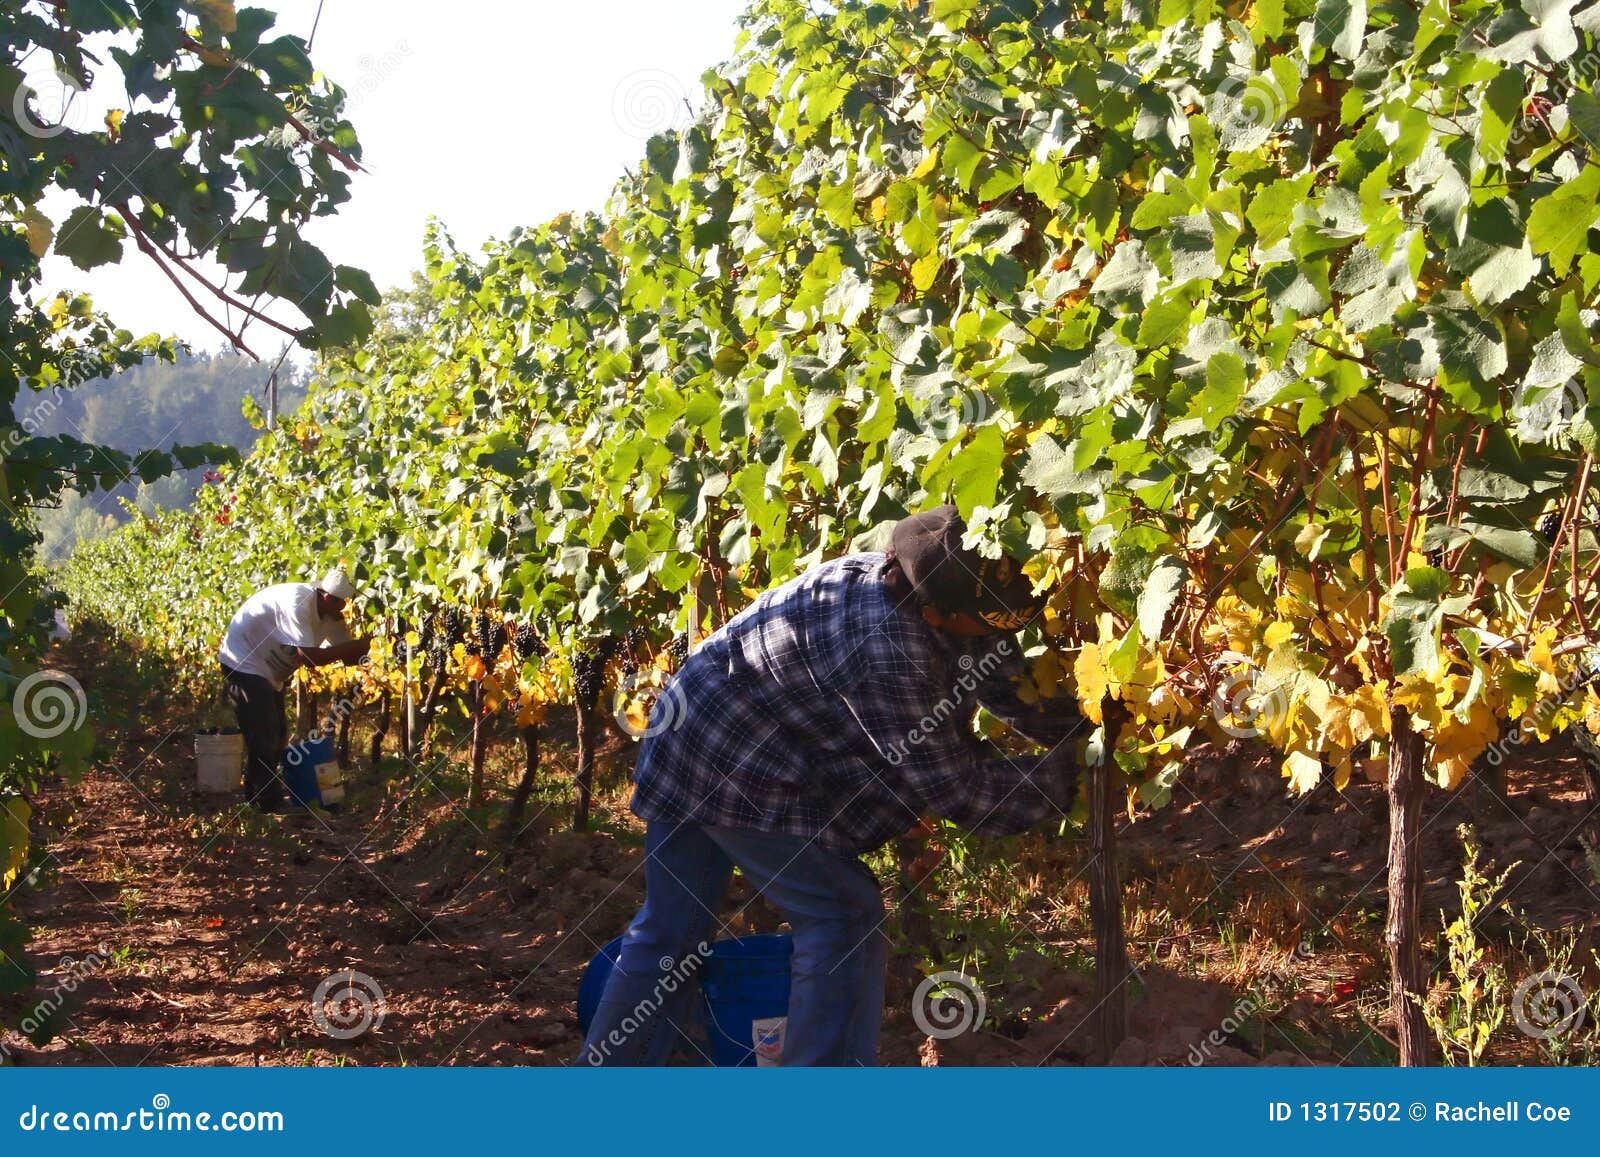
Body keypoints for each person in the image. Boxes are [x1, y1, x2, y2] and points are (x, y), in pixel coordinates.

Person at [580, 505, 1085, 1067]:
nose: (1007, 628)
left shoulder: (912, 580)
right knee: (844, 915)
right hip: (732, 765)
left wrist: (1080, 725)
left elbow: (1000, 670)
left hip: (692, 728)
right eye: (994, 620)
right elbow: (958, 791)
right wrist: (1073, 776)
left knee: (669, 935)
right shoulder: (891, 651)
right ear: (940, 612)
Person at [218, 568, 371, 812]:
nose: (345, 609)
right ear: (329, 597)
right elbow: (310, 657)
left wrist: (372, 646)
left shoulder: (330, 615)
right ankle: (262, 803)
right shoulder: (299, 601)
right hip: (243, 659)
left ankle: (262, 799)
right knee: (264, 734)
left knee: (277, 733)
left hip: (267, 670)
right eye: (342, 603)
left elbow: (349, 654)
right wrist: (357, 646)